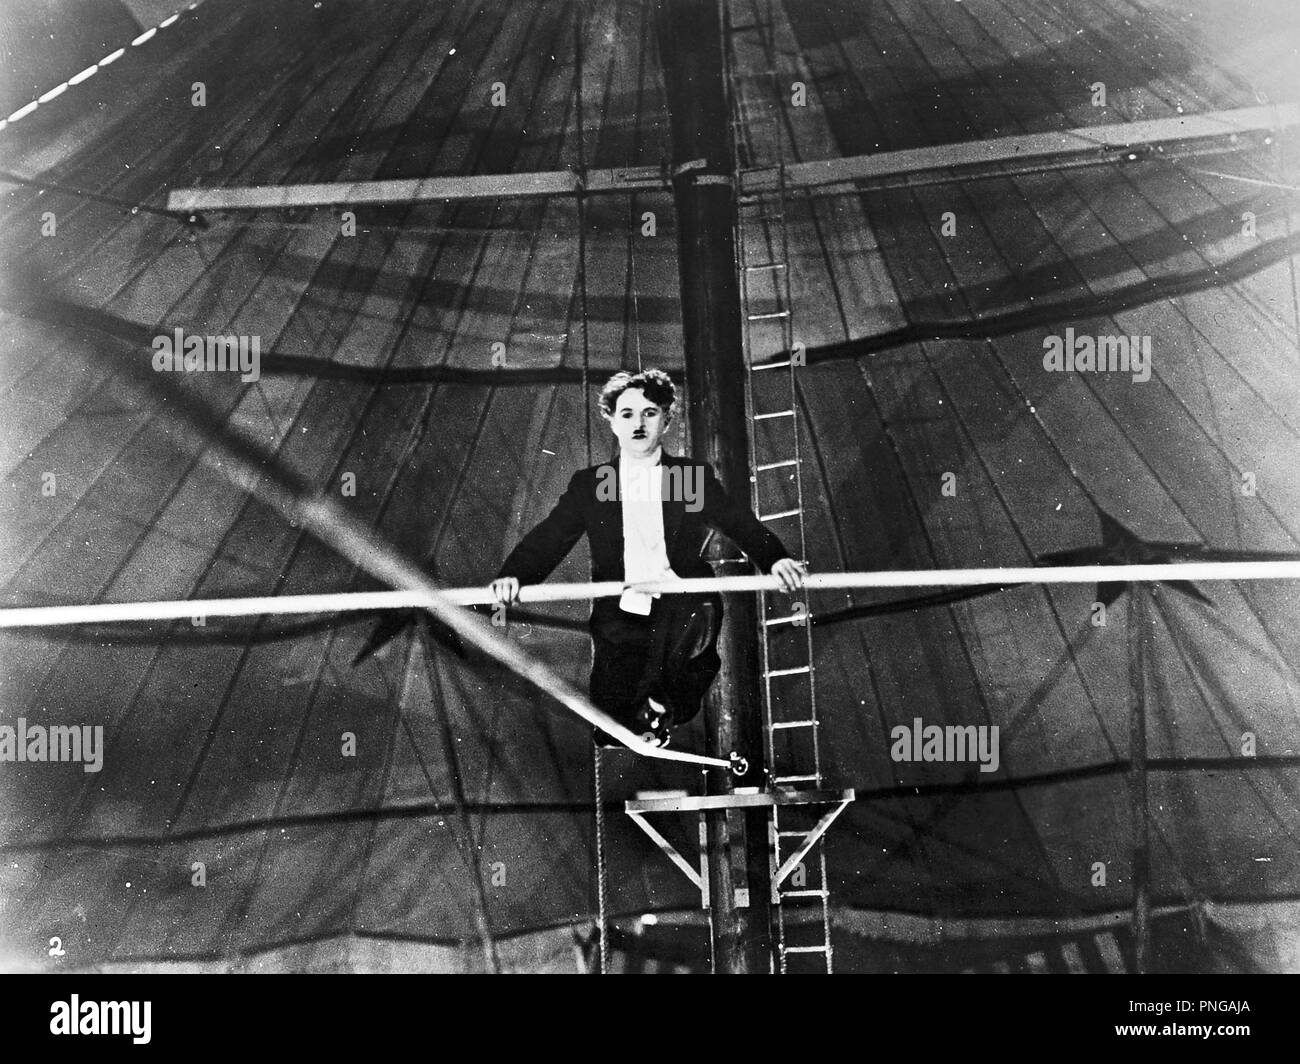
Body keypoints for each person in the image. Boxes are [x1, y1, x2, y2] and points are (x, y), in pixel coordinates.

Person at [490, 369, 804, 748]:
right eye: (627, 414)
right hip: (624, 607)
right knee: (610, 715)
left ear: (667, 419)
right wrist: (515, 576)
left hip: (683, 602)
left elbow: (737, 522)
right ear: (611, 420)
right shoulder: (594, 484)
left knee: (690, 662)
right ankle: (642, 719)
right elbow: (551, 536)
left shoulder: (686, 477)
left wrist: (775, 560)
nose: (638, 424)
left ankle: (661, 709)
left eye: (650, 413)